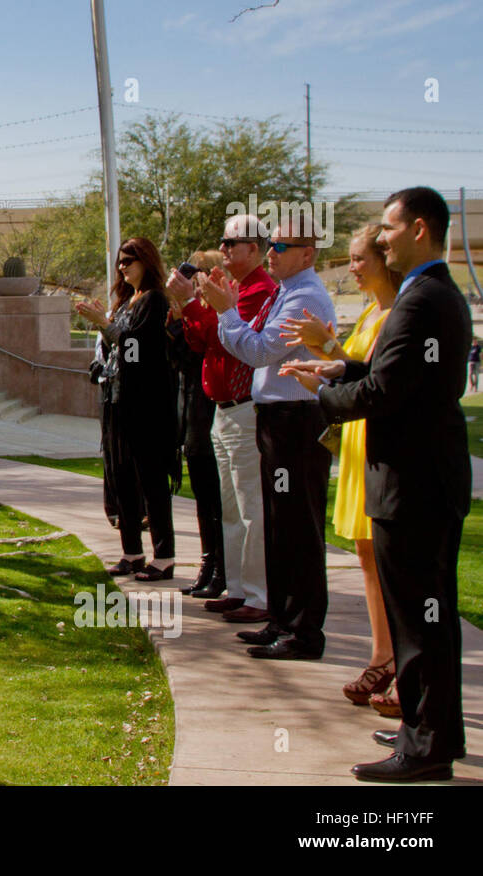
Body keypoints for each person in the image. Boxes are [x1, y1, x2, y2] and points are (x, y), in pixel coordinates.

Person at [284, 186, 469, 783]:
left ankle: (424, 750)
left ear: (418, 229)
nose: (380, 239)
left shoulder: (421, 300)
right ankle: (432, 729)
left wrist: (326, 395)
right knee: (426, 619)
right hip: (421, 481)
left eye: (387, 229)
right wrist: (338, 366)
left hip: (413, 484)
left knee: (420, 621)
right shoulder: (428, 294)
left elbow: (386, 394)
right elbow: (389, 371)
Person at [198, 212, 336, 660]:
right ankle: (281, 620)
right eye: (271, 245)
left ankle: (303, 631)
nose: (271, 253)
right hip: (277, 419)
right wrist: (230, 316)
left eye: (279, 247)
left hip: (297, 420)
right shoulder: (287, 293)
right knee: (280, 526)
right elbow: (252, 339)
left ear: (307, 253)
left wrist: (224, 312)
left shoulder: (305, 298)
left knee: (298, 527)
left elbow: (257, 352)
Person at [280, 224, 399, 710]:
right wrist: (324, 363)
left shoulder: (398, 314)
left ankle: (399, 668)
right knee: (368, 557)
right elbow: (354, 367)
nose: (351, 268)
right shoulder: (373, 311)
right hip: (357, 442)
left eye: (358, 259)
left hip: (377, 441)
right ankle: (382, 656)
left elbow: (371, 378)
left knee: (390, 564)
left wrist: (324, 351)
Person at [167, 215, 275, 610]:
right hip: (221, 406)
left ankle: (259, 596)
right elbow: (199, 343)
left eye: (233, 243)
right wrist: (189, 305)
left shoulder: (258, 290)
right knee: (230, 508)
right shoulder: (235, 288)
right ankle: (238, 589)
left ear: (254, 249)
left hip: (245, 408)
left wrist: (197, 302)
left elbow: (224, 339)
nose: (226, 249)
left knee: (251, 509)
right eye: (224, 242)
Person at [75, 237, 178, 581]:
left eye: (130, 259)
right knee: (121, 477)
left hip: (146, 405)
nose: (123, 265)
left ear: (147, 261)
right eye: (120, 260)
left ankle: (164, 557)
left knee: (151, 480)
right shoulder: (124, 301)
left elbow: (136, 347)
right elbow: (115, 346)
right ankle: (131, 552)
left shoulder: (154, 300)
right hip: (116, 400)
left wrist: (104, 324)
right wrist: (103, 327)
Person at [165, 250, 225, 598]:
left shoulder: (214, 313)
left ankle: (222, 567)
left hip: (209, 409)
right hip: (190, 409)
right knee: (203, 495)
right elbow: (178, 358)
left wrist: (190, 309)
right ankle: (208, 563)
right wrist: (177, 317)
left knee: (218, 499)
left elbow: (201, 352)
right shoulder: (187, 316)